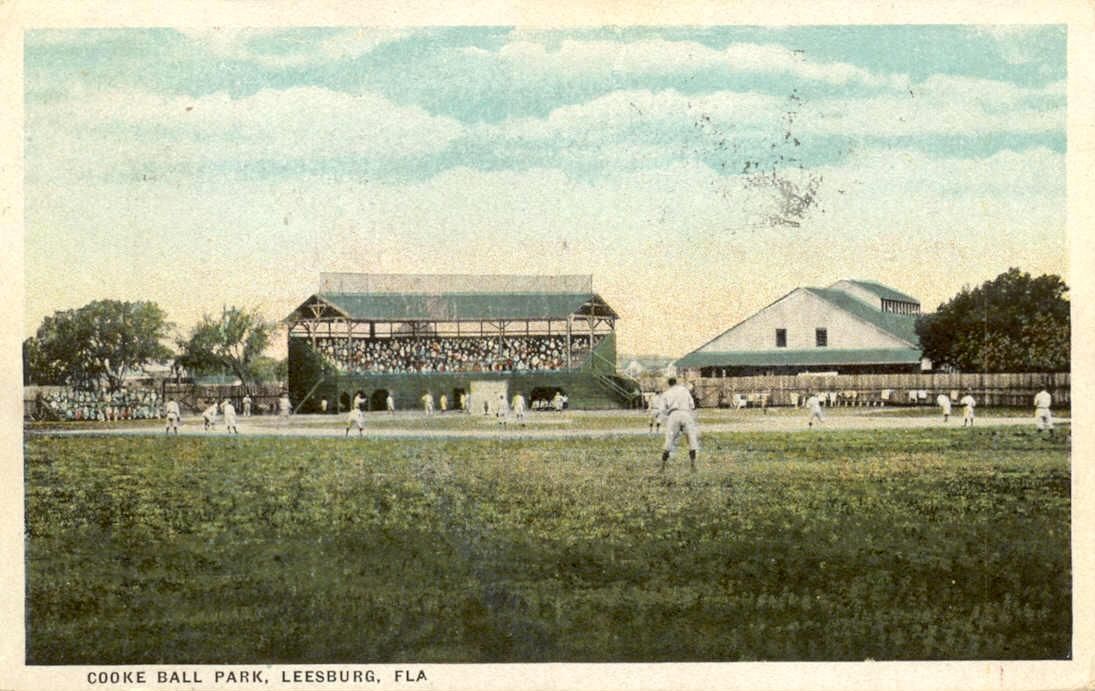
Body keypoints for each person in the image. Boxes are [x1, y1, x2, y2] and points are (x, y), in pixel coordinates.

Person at [656, 377, 700, 472]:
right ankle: (693, 466)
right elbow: (692, 405)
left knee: (669, 440)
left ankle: (662, 467)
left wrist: (668, 412)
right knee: (691, 439)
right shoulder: (684, 390)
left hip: (673, 415)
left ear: (668, 384)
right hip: (686, 414)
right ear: (676, 383)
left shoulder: (666, 393)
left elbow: (662, 410)